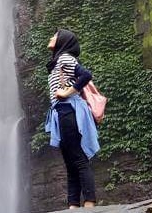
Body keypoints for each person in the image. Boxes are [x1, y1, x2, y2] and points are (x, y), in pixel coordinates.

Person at [44, 29, 99, 208]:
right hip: (60, 114)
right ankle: (73, 206)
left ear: (63, 41)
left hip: (69, 111)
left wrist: (67, 92)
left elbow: (86, 75)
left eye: (55, 35)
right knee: (70, 163)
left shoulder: (65, 58)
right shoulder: (57, 62)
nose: (51, 37)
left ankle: (89, 204)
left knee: (79, 159)